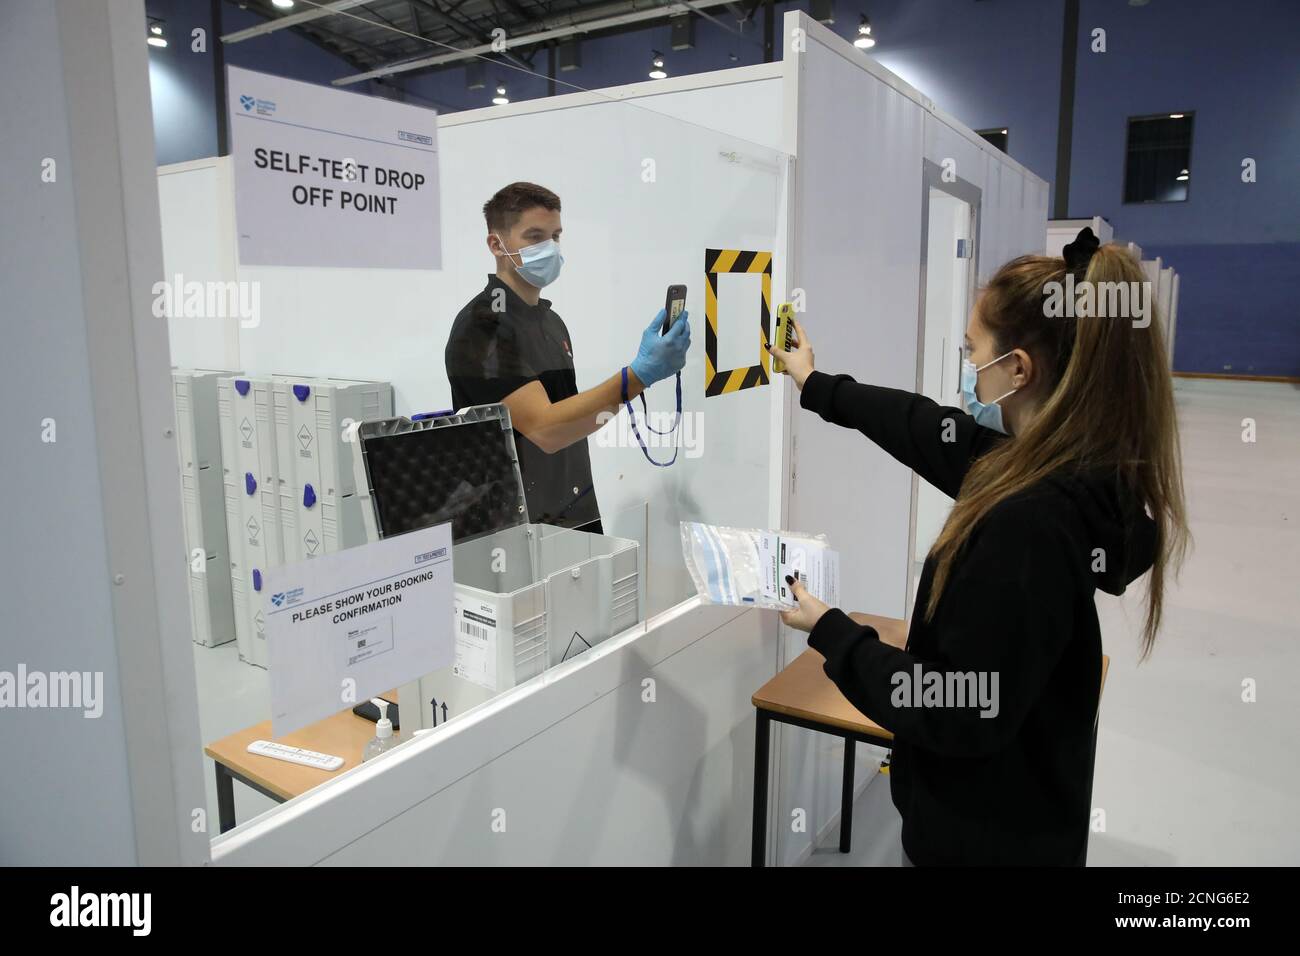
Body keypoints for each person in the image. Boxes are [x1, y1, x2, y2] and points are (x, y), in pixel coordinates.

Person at [766, 232, 1189, 866]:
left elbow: (958, 705)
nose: (969, 369)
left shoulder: (1028, 524)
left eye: (974, 352)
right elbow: (926, 429)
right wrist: (815, 383)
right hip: (1030, 817)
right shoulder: (1072, 475)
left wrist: (832, 631)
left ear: (1018, 368)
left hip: (983, 844)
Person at [446, 182, 690, 534]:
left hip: (574, 514)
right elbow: (547, 430)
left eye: (555, 236)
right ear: (496, 245)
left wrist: (637, 380)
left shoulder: (551, 323)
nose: (550, 248)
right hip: (514, 529)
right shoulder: (482, 326)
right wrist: (638, 376)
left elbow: (573, 421)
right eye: (534, 237)